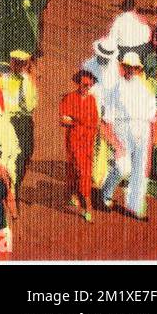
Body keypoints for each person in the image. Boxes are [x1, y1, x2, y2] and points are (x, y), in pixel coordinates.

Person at [101, 51, 157, 220]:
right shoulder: (114, 88)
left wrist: (154, 135)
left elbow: (153, 114)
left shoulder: (145, 89)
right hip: (122, 127)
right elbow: (107, 118)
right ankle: (105, 194)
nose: (130, 70)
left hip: (142, 128)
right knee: (123, 166)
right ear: (123, 67)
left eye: (133, 68)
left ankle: (135, 207)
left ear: (138, 69)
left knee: (141, 169)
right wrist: (114, 142)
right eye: (127, 67)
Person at [60, 68, 101, 222]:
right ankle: (87, 206)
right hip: (74, 139)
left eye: (89, 85)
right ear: (79, 83)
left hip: (88, 141)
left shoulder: (92, 100)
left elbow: (95, 121)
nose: (87, 87)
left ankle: (73, 193)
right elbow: (63, 119)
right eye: (84, 84)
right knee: (82, 171)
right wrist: (77, 121)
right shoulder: (69, 98)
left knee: (80, 169)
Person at [0, 50, 38, 187]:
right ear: (11, 63)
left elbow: (31, 105)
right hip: (9, 120)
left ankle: (14, 185)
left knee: (26, 153)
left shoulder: (28, 80)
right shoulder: (3, 79)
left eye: (22, 64)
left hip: (25, 122)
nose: (19, 66)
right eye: (16, 63)